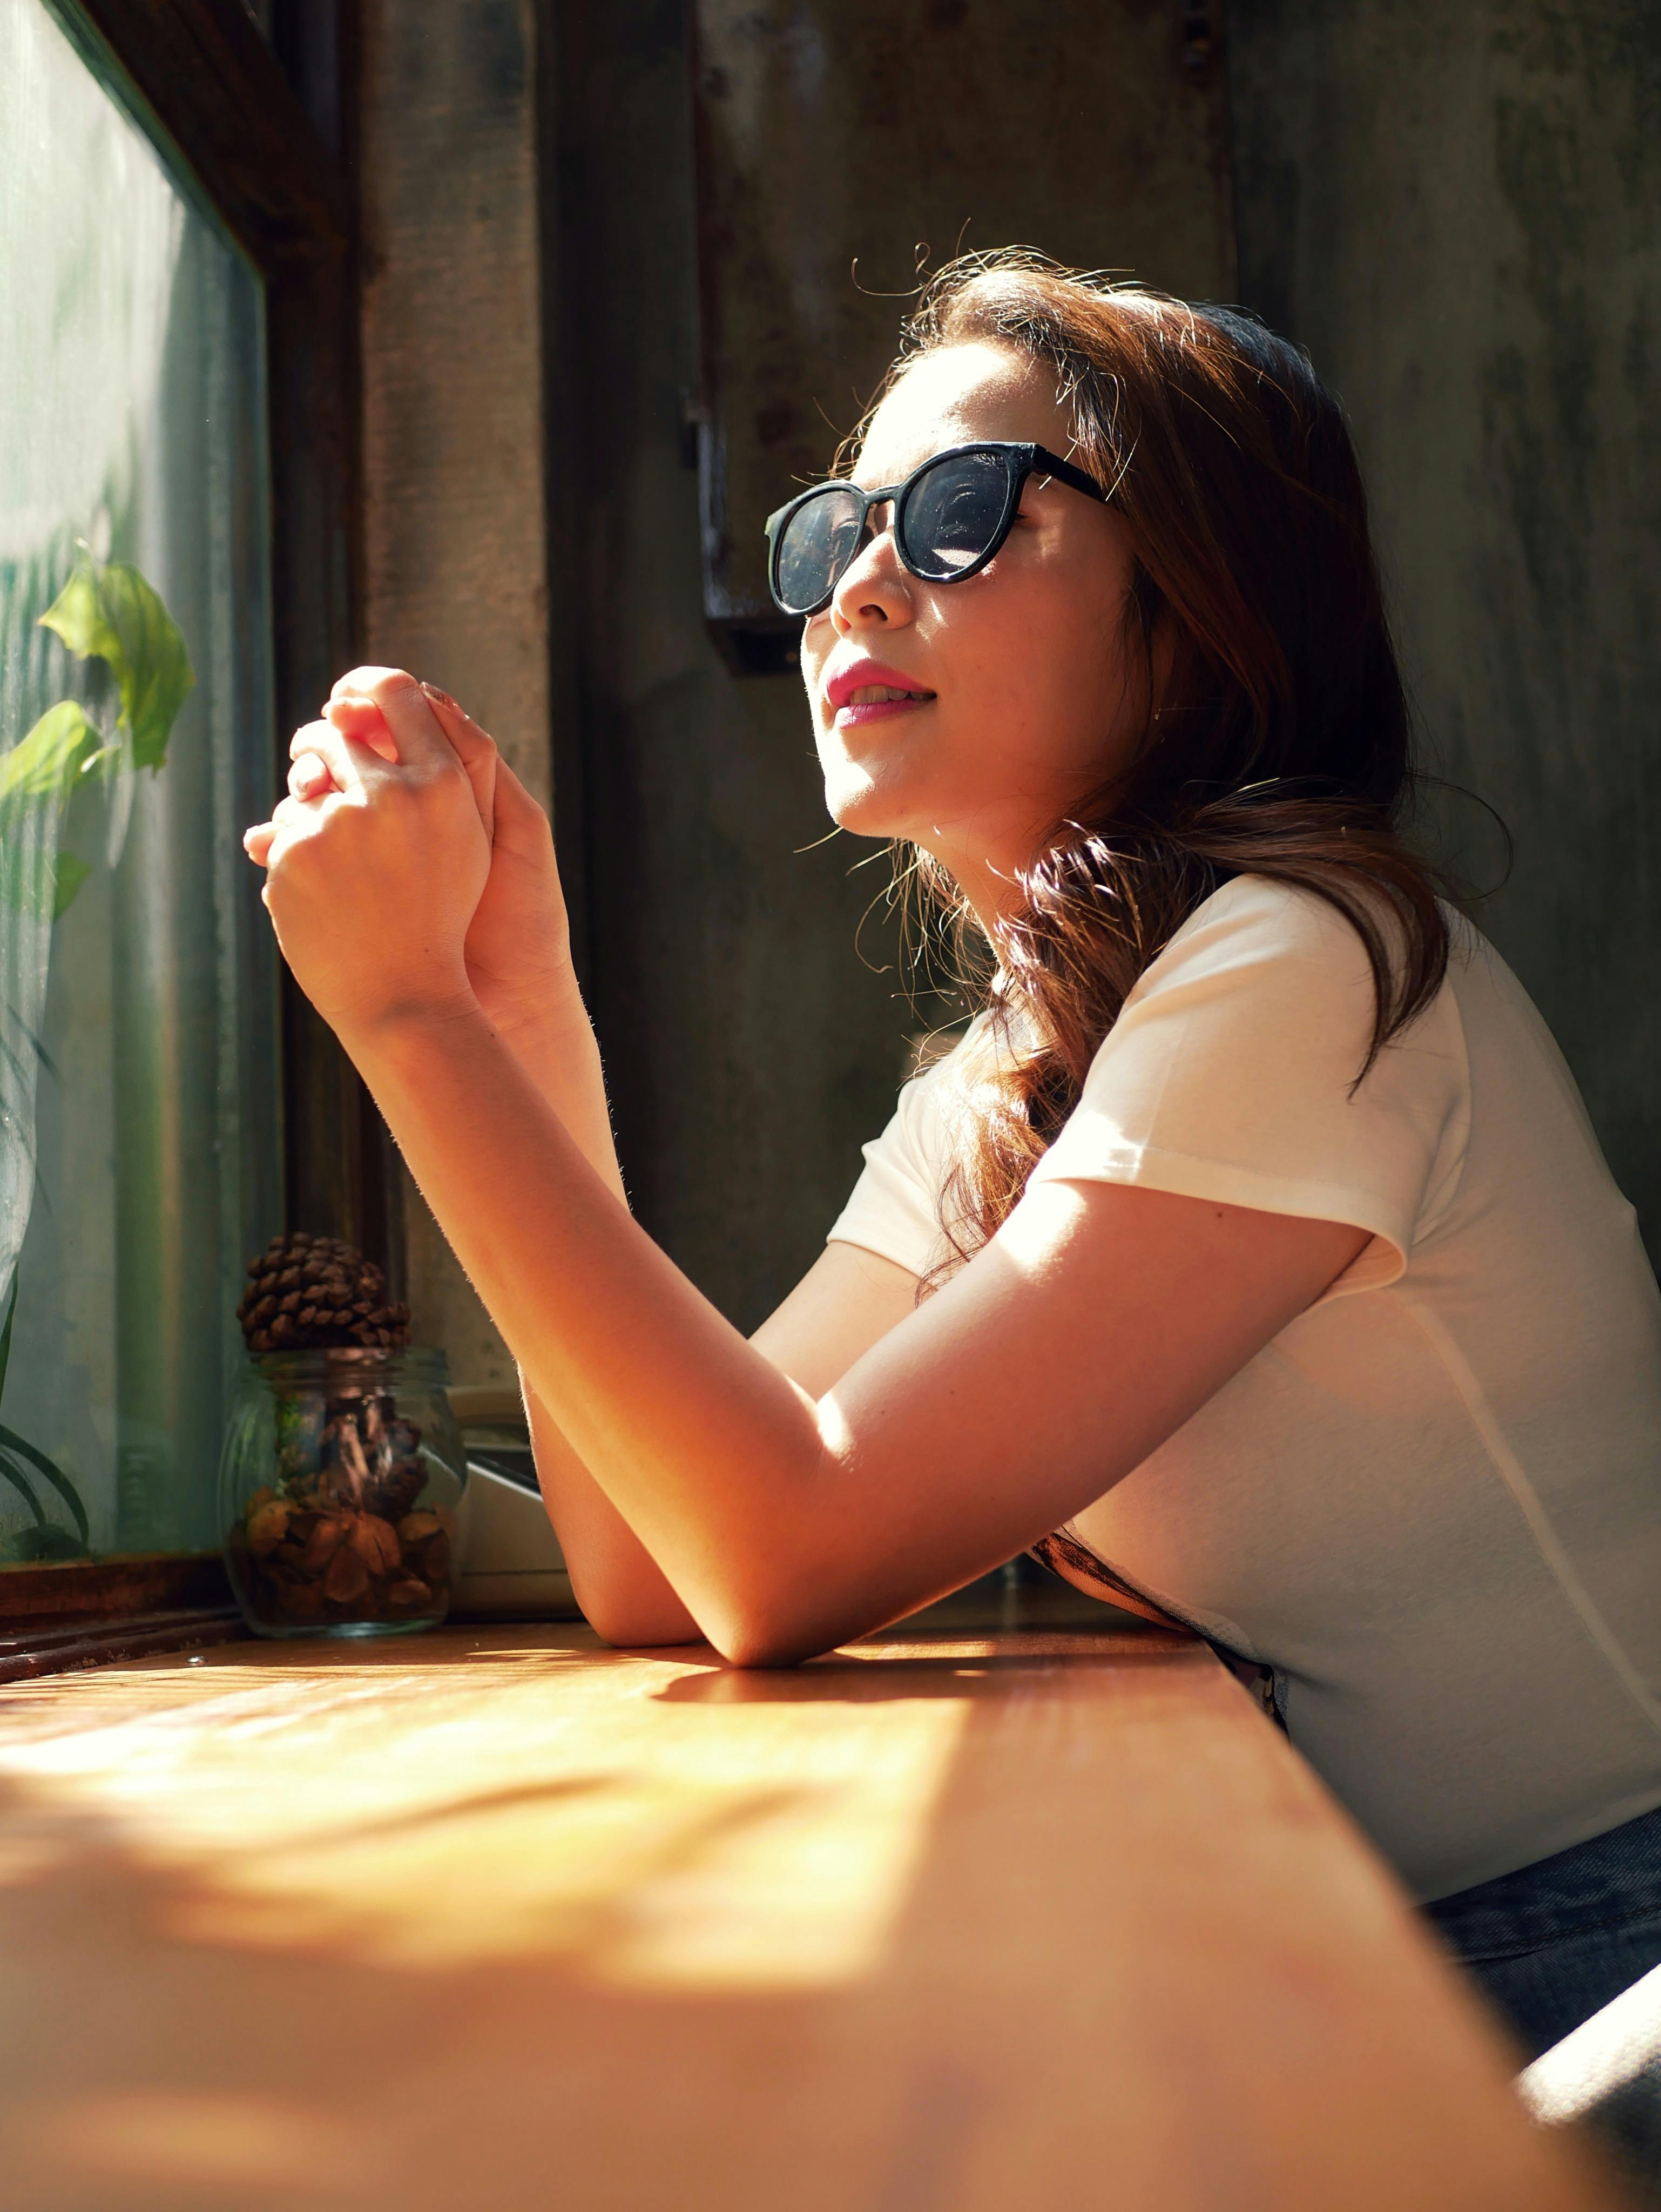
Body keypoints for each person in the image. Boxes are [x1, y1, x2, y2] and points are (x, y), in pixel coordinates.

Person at [245, 250, 1661, 2060]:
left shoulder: (1304, 959)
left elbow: (781, 1549)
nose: (858, 584)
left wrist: (404, 1026)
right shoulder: (1011, 1074)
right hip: (1385, 1947)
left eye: (965, 509)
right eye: (840, 527)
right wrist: (514, 1004)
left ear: (1208, 593)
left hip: (1597, 1961)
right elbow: (661, 1561)